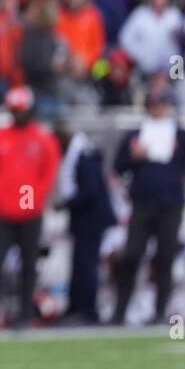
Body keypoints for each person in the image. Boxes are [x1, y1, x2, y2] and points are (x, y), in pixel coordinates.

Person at [111, 87, 185, 324]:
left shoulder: (180, 135)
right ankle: (119, 312)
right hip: (142, 204)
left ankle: (160, 313)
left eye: (161, 104)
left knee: (165, 258)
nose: (158, 108)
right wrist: (134, 158)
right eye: (153, 104)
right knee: (131, 255)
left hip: (171, 203)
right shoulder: (136, 135)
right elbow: (118, 166)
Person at [0, 87, 61, 328]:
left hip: (30, 214)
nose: (17, 115)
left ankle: (25, 316)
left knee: (28, 266)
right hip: (1, 214)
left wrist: (32, 200)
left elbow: (48, 173)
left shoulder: (42, 139)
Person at [54, 122, 116, 326]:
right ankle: (76, 307)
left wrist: (66, 204)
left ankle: (87, 310)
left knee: (86, 265)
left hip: (91, 218)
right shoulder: (82, 153)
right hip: (84, 218)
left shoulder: (84, 155)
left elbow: (89, 191)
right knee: (80, 263)